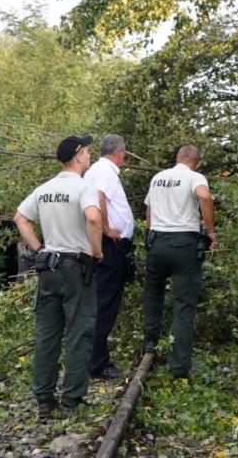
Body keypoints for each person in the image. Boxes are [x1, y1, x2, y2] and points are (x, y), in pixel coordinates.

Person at [14, 135, 104, 419]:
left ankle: (43, 400)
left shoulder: (44, 189)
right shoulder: (84, 188)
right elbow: (93, 218)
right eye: (88, 152)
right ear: (78, 157)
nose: (90, 156)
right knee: (79, 333)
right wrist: (96, 250)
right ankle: (71, 402)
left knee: (47, 334)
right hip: (75, 269)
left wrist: (39, 248)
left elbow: (20, 218)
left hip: (48, 269)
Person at [142, 144, 217, 381]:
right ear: (197, 163)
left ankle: (151, 342)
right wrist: (211, 231)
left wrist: (155, 228)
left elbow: (149, 212)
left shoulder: (158, 178)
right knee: (183, 305)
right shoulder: (195, 177)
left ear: (177, 158)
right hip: (184, 243)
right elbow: (204, 196)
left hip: (157, 241)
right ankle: (179, 368)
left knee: (153, 292)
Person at [83, 134, 137, 380]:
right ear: (121, 152)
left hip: (109, 244)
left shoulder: (96, 169)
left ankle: (96, 357)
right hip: (110, 244)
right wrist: (106, 228)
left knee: (103, 302)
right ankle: (96, 363)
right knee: (105, 304)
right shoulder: (105, 171)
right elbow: (99, 198)